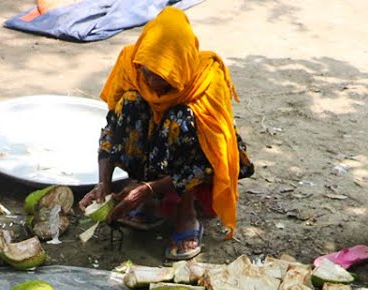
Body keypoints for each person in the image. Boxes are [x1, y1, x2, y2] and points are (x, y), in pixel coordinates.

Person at [79, 7, 254, 261]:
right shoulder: (132, 65)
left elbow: (210, 159)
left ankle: (186, 213)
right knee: (130, 103)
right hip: (152, 151)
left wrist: (152, 187)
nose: (150, 79)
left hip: (191, 159)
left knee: (180, 118)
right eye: (146, 70)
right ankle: (148, 202)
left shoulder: (206, 81)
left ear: (179, 67)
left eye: (160, 74)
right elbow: (112, 131)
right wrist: (104, 182)